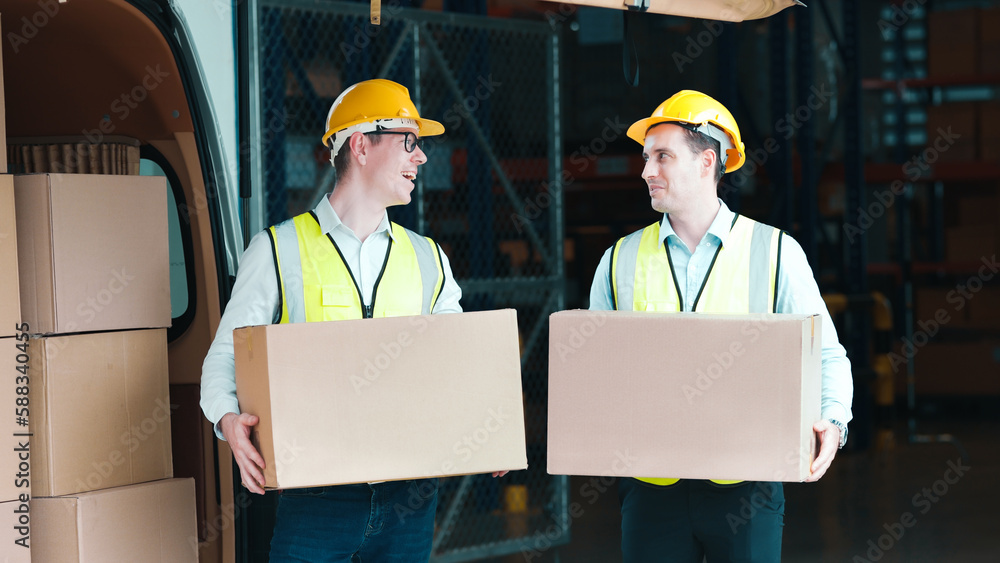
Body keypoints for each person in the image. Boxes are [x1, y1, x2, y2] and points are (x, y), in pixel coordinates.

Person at [200, 78, 503, 562]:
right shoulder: (279, 250)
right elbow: (223, 358)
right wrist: (228, 419)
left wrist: (489, 425)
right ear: (361, 145)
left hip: (410, 498)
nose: (421, 157)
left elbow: (458, 363)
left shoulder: (429, 258)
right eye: (410, 142)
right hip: (317, 501)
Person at [587, 90, 854, 562]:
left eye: (662, 156)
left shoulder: (774, 253)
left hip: (746, 487)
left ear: (707, 161)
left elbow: (826, 352)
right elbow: (594, 370)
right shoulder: (618, 261)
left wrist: (833, 421)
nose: (647, 171)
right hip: (653, 491)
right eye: (646, 157)